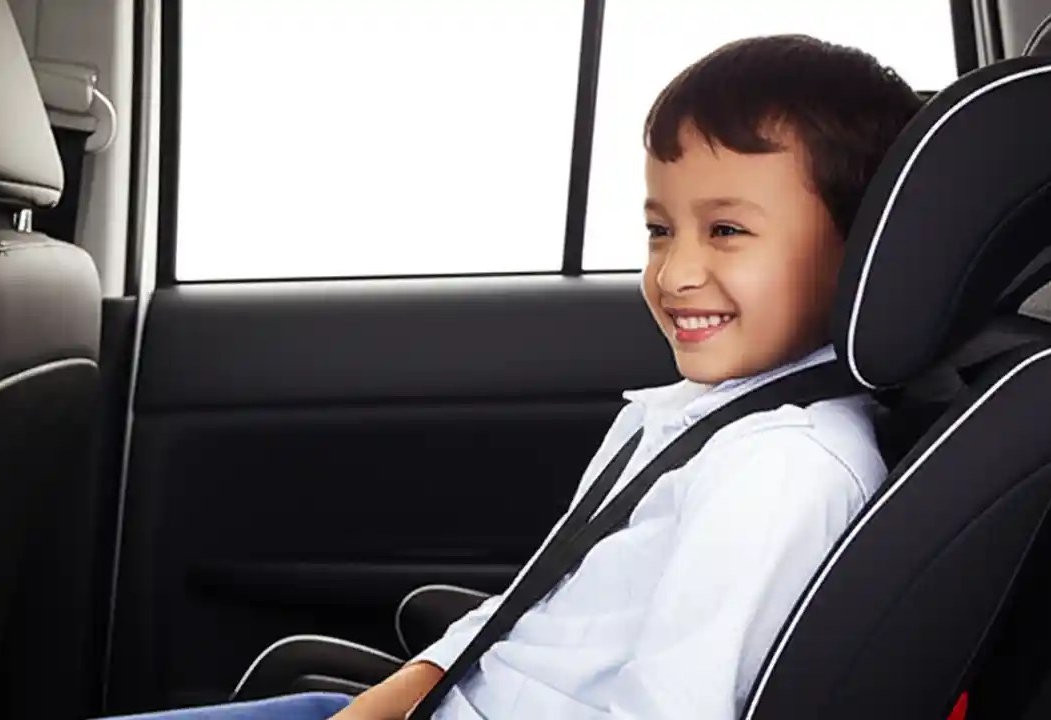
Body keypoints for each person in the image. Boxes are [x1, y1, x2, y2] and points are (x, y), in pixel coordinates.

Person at [103, 33, 923, 720]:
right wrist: (393, 696)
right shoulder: (695, 416)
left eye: (728, 231)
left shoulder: (784, 468)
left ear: (862, 250)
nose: (675, 273)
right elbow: (541, 610)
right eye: (659, 229)